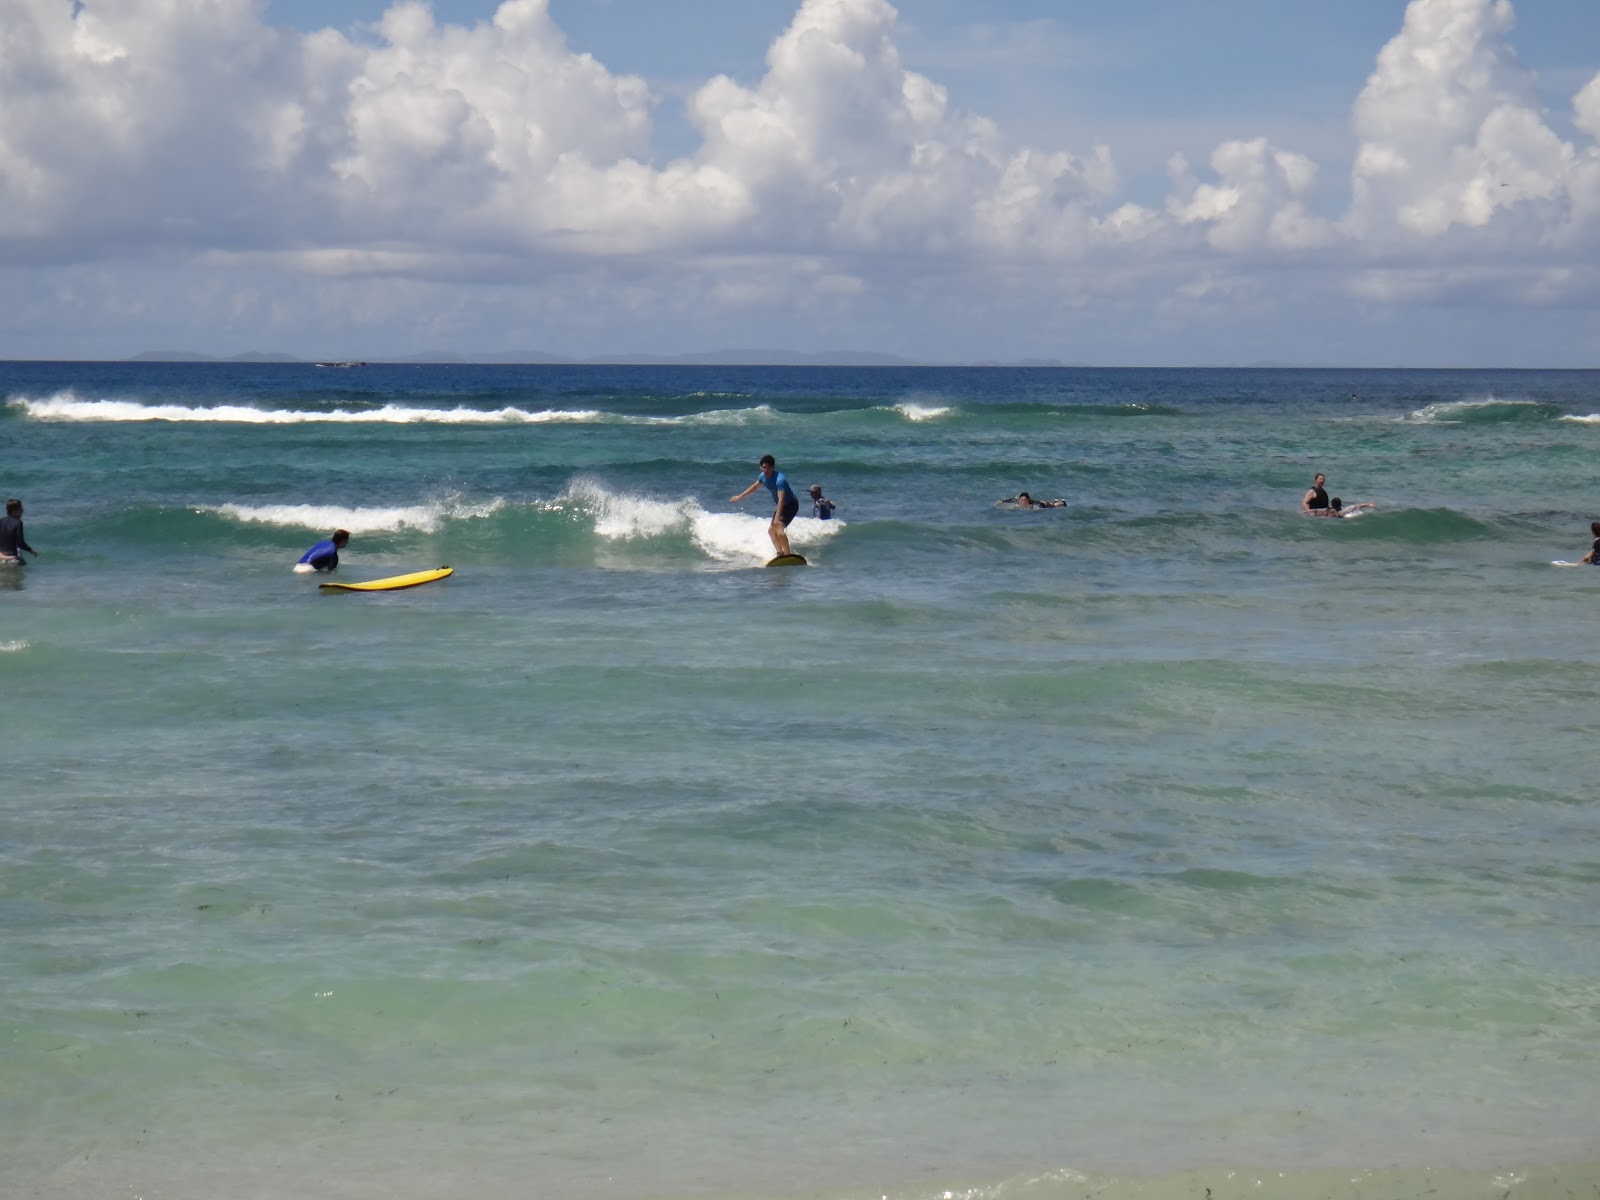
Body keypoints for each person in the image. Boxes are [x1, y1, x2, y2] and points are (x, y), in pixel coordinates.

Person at [730, 455, 798, 557]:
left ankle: (788, 555)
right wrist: (740, 496)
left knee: (779, 530)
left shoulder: (780, 480)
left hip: (790, 505)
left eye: (768, 467)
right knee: (771, 531)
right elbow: (755, 486)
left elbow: (781, 500)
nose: (766, 470)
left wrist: (777, 518)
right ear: (761, 467)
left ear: (773, 467)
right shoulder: (762, 476)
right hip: (781, 506)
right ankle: (780, 553)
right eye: (763, 467)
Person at [0, 498, 38, 566]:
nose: (23, 511)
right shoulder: (18, 523)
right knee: (22, 571)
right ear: (14, 511)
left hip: (1, 557)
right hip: (12, 559)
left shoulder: (1, 521)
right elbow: (20, 543)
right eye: (21, 509)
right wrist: (31, 550)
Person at [997, 492, 1065, 509]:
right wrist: (1000, 502)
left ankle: (1063, 502)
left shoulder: (1033, 503)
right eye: (1022, 500)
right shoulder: (1016, 501)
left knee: (1054, 506)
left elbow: (1040, 503)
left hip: (1044, 504)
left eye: (1025, 500)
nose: (1023, 502)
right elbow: (1006, 501)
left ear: (1028, 500)